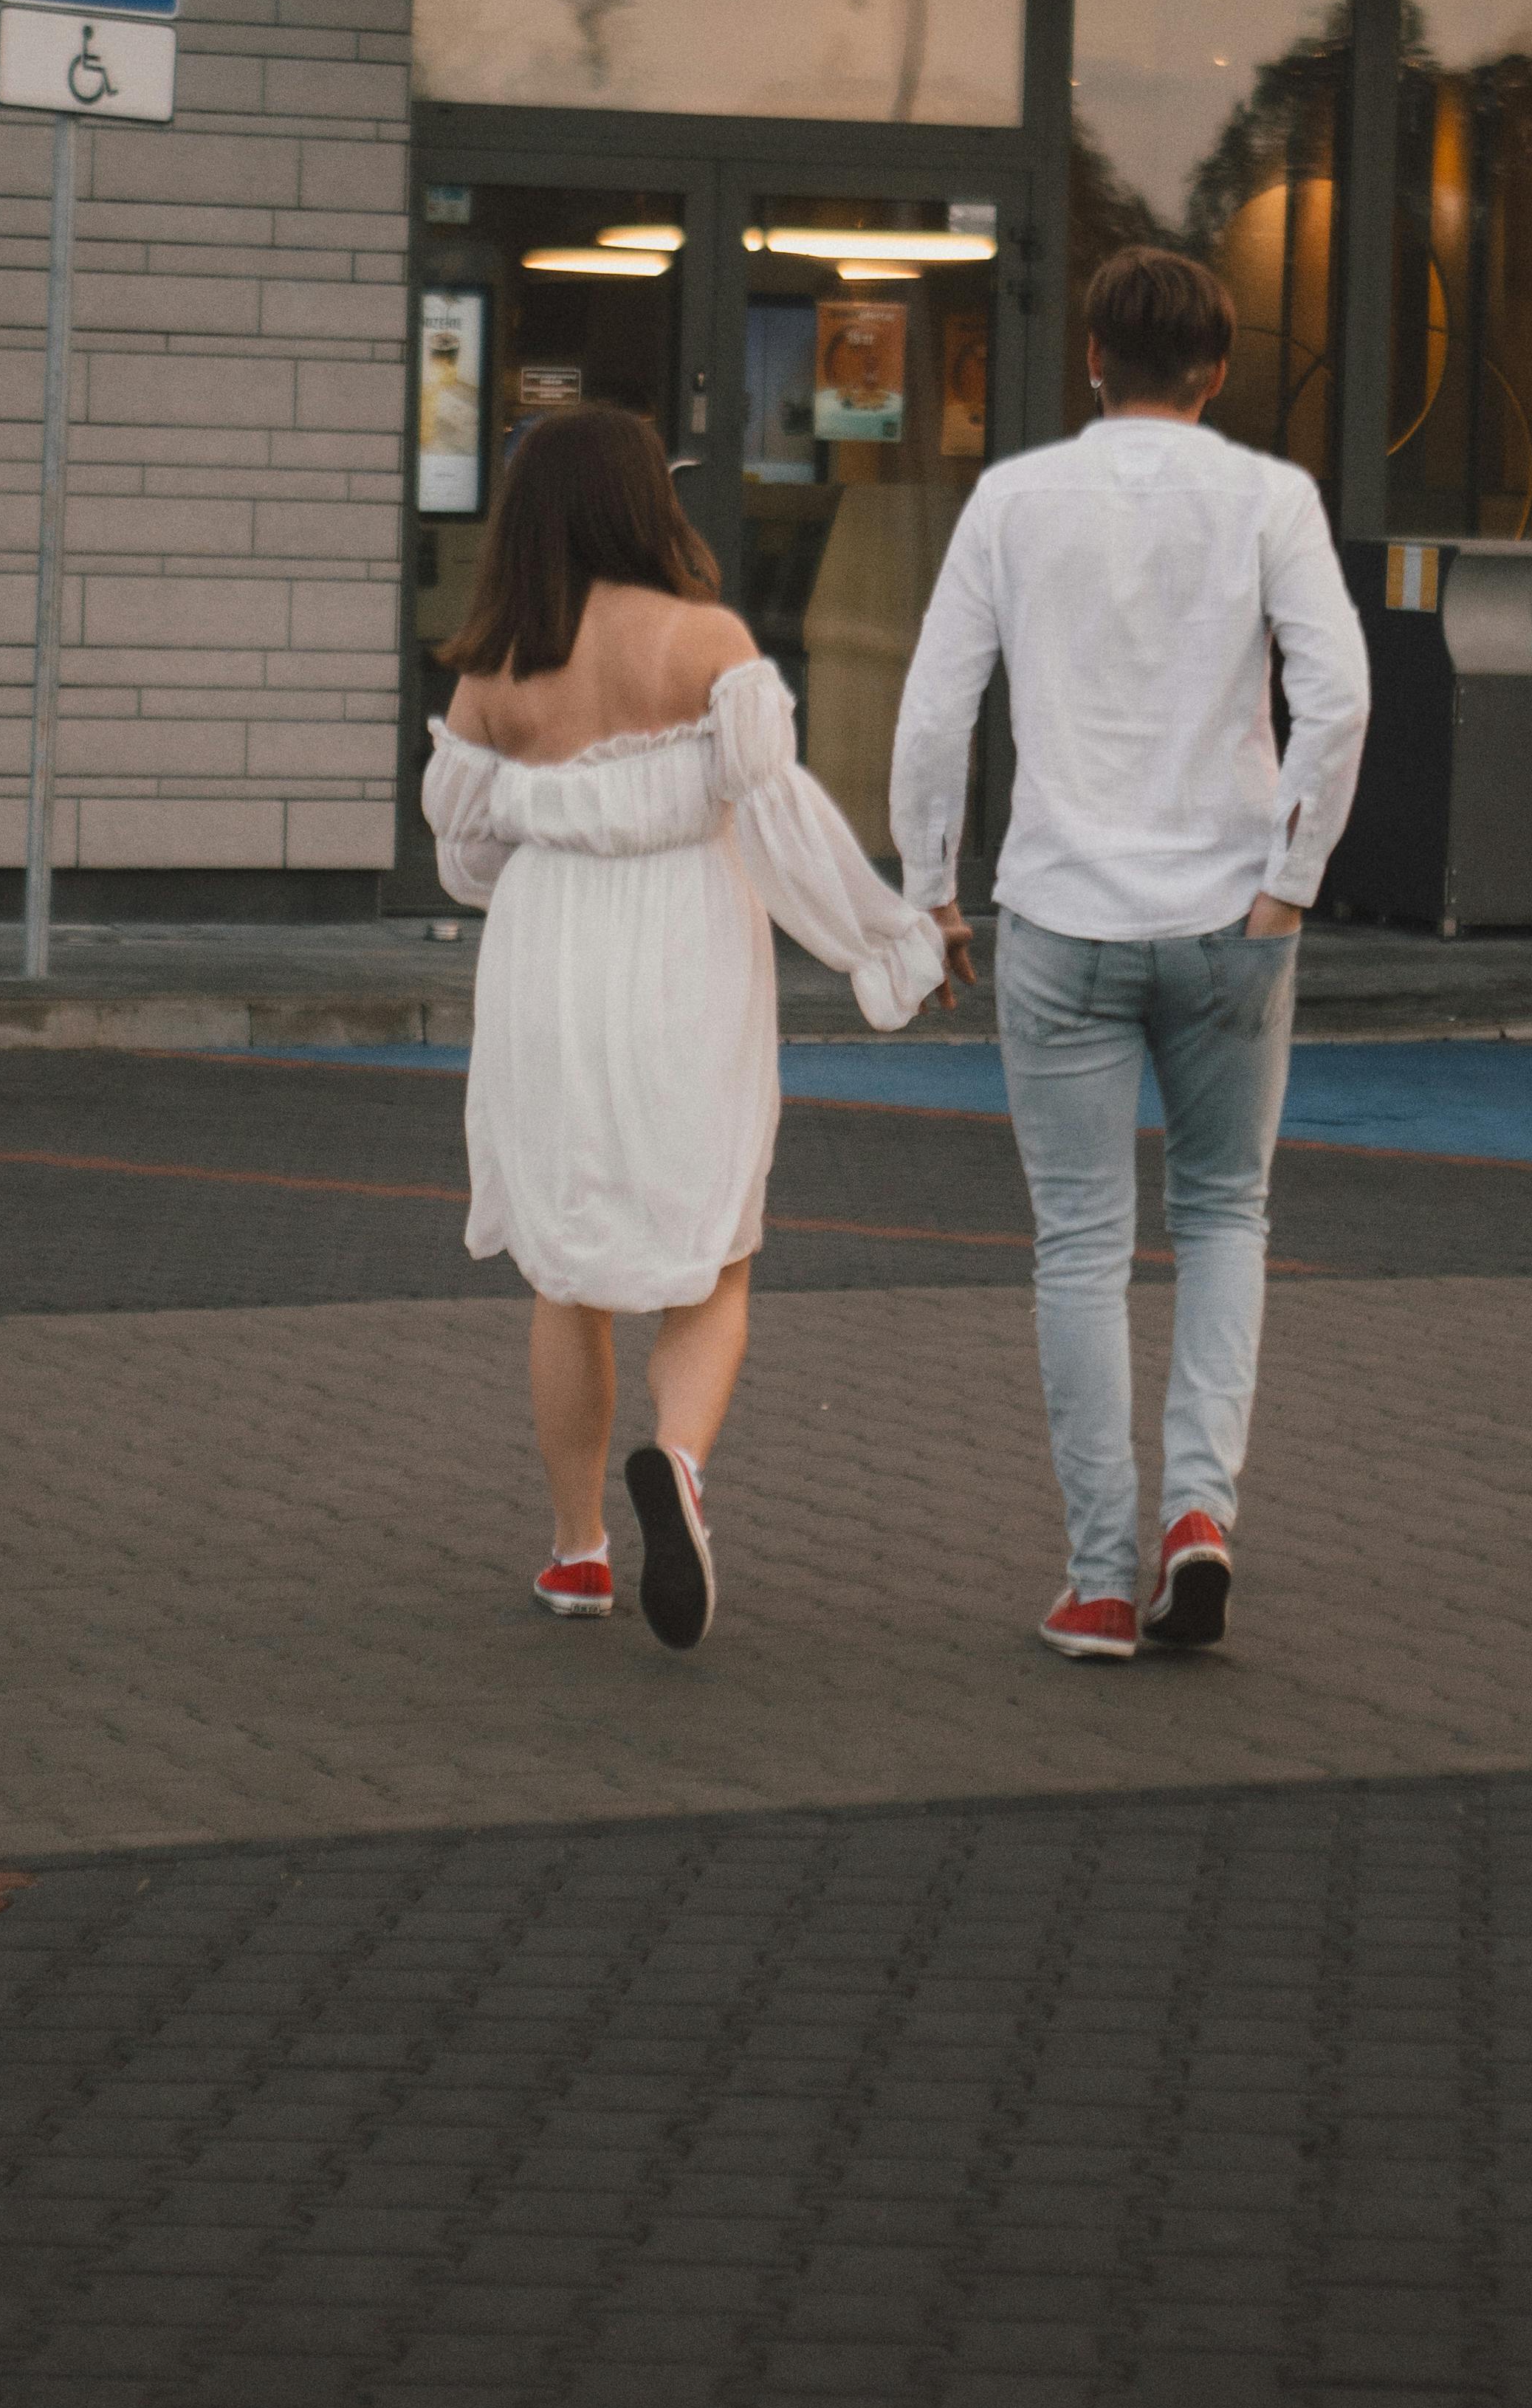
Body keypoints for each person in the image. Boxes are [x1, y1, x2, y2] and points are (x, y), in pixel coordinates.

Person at [887, 245, 1370, 1663]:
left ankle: (1100, 1578)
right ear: (1216, 372)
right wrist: (1289, 882)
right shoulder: (1273, 498)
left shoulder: (1011, 499)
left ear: (1091, 360)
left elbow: (935, 710)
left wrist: (933, 890)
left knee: (1081, 1247)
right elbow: (1340, 700)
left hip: (1060, 919)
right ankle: (1199, 1513)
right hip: (1231, 920)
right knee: (1225, 1217)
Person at [425, 403, 949, 1651]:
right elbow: (784, 825)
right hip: (686, 950)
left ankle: (578, 1553)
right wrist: (892, 943)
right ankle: (680, 1465)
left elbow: (464, 856)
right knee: (715, 1246)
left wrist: (557, 849)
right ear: (641, 502)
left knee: (568, 1272)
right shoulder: (706, 640)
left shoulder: (495, 669)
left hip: (548, 954)